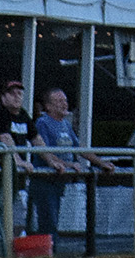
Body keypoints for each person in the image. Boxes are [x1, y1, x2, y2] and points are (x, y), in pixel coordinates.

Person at [26, 88, 112, 241]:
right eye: (59, 101)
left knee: (54, 220)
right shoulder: (42, 123)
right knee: (48, 223)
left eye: (65, 101)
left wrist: (101, 163)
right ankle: (47, 257)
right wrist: (68, 164)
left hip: (59, 181)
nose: (64, 104)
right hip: (44, 181)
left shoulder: (66, 124)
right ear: (48, 106)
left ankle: (51, 252)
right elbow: (44, 151)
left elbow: (79, 148)